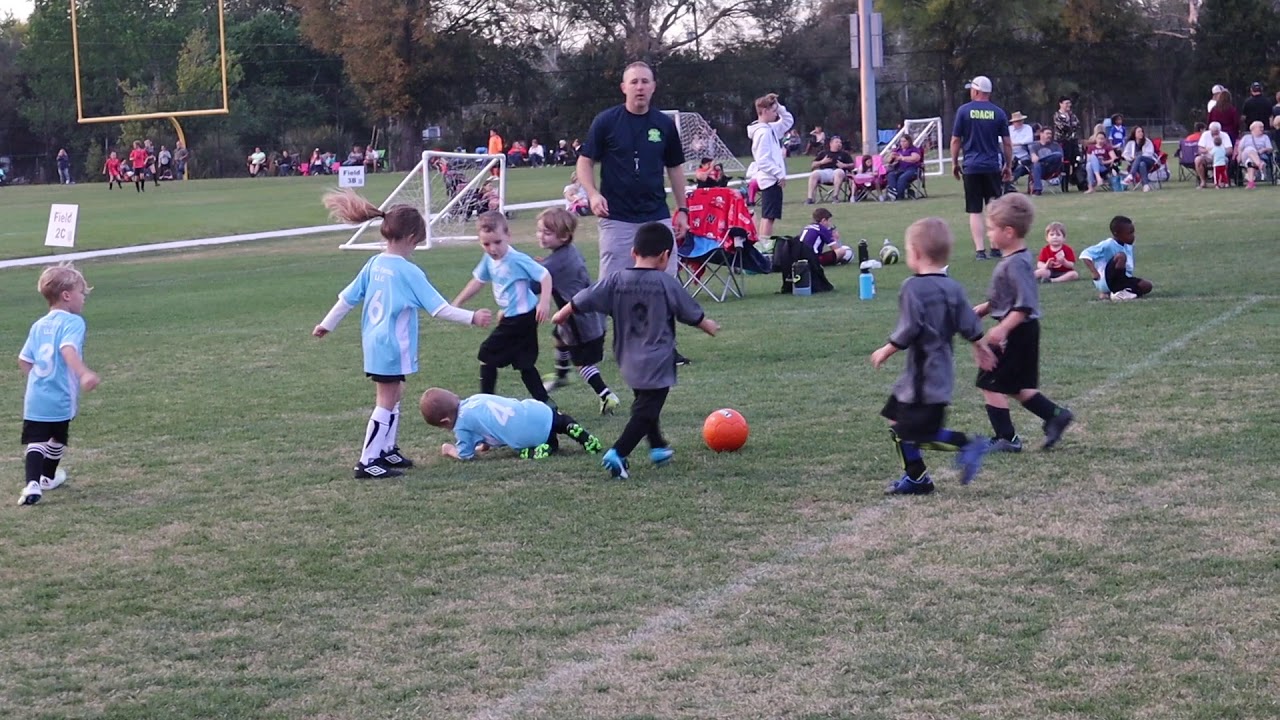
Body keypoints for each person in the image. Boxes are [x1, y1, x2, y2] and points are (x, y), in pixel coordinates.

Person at [312, 189, 492, 479]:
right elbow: (439, 309)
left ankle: (386, 450)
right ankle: (368, 460)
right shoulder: (409, 272)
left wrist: (326, 324)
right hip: (392, 345)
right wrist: (472, 317)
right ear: (410, 239)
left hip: (375, 342)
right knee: (386, 399)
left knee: (396, 393)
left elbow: (348, 298)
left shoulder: (374, 263)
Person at [551, 222, 719, 479]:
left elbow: (584, 298)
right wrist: (708, 325)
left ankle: (658, 446)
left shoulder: (616, 280)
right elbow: (688, 311)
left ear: (633, 253)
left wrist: (562, 313)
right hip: (658, 358)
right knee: (648, 408)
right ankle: (618, 453)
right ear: (665, 256)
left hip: (627, 357)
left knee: (644, 402)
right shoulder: (665, 282)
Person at [870, 218, 995, 495]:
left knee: (915, 433)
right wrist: (980, 346)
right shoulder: (953, 287)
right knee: (895, 419)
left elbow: (910, 328)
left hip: (923, 378)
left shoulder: (912, 287)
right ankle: (917, 477)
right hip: (932, 373)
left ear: (915, 253)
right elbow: (969, 322)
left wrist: (886, 349)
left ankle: (967, 445)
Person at [973, 193, 1075, 453]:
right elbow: (1008, 295)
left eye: (991, 229)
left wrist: (1002, 328)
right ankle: (1056, 415)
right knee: (1016, 387)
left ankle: (1007, 438)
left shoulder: (1016, 262)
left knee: (990, 382)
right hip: (1018, 330)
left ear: (1008, 231)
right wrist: (985, 309)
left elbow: (1025, 303)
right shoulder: (1015, 259)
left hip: (1017, 331)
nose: (988, 235)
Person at [576, 61, 688, 281]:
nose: (640, 87)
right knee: (614, 287)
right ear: (623, 87)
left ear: (653, 87)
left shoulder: (664, 125)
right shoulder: (606, 122)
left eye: (645, 82)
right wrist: (592, 194)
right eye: (634, 82)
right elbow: (584, 161)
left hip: (657, 216)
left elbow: (675, 168)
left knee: (665, 286)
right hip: (617, 218)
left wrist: (683, 210)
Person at [16, 264, 101, 506]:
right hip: (60, 396)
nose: (83, 298)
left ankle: (32, 483)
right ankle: (48, 477)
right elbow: (67, 349)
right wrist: (83, 373)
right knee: (57, 439)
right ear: (67, 296)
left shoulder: (38, 325)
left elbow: (23, 360)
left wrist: (37, 381)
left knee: (36, 441)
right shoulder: (73, 322)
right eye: (81, 293)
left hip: (35, 396)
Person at [451, 211, 554, 405]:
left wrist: (544, 302)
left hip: (520, 319)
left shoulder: (516, 259)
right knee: (525, 364)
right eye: (486, 244)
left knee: (486, 354)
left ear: (508, 235)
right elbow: (478, 281)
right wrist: (457, 303)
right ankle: (547, 405)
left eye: (497, 242)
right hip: (515, 317)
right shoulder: (488, 259)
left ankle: (486, 403)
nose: (492, 248)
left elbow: (545, 275)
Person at [535, 207, 622, 415]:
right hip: (590, 316)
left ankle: (606, 395)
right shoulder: (569, 252)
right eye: (540, 231)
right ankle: (563, 373)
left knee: (583, 363)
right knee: (558, 335)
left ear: (564, 237)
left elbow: (535, 284)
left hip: (580, 323)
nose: (541, 236)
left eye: (547, 233)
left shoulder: (556, 263)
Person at [421, 388, 603, 461]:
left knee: (539, 440)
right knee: (561, 421)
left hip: (523, 436)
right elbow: (488, 420)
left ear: (445, 421)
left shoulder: (461, 425)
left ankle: (543, 448)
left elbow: (465, 455)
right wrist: (484, 444)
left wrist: (448, 449)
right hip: (538, 412)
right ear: (453, 395)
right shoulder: (475, 399)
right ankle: (576, 431)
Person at [951, 75, 1014, 260]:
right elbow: (1007, 143)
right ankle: (995, 247)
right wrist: (1008, 165)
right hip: (992, 166)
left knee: (975, 210)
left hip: (971, 167)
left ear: (976, 91)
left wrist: (955, 163)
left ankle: (980, 251)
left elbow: (956, 140)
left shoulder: (963, 111)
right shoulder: (999, 113)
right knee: (993, 208)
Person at [746, 92, 793, 239]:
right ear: (764, 112)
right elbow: (763, 160)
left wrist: (778, 106)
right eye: (773, 111)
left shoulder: (770, 128)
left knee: (769, 214)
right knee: (769, 215)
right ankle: (764, 245)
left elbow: (788, 121)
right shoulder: (763, 133)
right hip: (770, 178)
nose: (776, 114)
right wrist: (779, 174)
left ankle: (762, 243)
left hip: (771, 178)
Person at [1079, 215, 1153, 301]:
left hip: (1122, 279)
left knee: (1147, 286)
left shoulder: (1128, 245)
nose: (1133, 236)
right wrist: (1094, 272)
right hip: (1105, 280)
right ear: (1116, 233)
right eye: (1129, 233)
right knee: (1121, 256)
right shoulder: (1108, 244)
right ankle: (1116, 291)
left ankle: (1117, 293)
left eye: (1133, 232)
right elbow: (1085, 254)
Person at [804, 135, 855, 204]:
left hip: (838, 172)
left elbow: (853, 165)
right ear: (831, 144)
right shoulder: (823, 153)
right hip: (825, 172)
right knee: (814, 174)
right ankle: (810, 198)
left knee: (838, 172)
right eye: (837, 142)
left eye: (840, 142)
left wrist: (844, 165)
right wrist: (822, 162)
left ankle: (835, 196)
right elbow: (813, 165)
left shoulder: (844, 154)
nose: (839, 144)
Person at [1052, 96, 1081, 192]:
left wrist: (1070, 125)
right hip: (1062, 143)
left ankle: (1080, 183)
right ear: (1060, 104)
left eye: (1069, 103)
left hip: (1073, 142)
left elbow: (1077, 125)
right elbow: (1062, 127)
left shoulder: (1072, 115)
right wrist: (1070, 125)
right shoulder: (1057, 115)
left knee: (1077, 162)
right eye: (1066, 103)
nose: (1069, 105)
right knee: (1065, 164)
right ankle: (1065, 188)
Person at [1235, 121, 1274, 188]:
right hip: (1245, 155)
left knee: (1250, 162)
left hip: (1260, 156)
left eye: (1263, 127)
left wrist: (1263, 149)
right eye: (1260, 127)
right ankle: (1260, 164)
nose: (1262, 129)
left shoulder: (1265, 137)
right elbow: (1240, 148)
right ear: (1253, 128)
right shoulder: (1246, 137)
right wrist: (1239, 155)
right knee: (1249, 148)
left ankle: (1251, 183)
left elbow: (1270, 148)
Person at [1026, 127, 1064, 195]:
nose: (1049, 135)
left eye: (1050, 134)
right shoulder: (1034, 145)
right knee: (1036, 165)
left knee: (1057, 155)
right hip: (1040, 170)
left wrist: (1040, 159)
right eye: (1047, 133)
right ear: (1041, 134)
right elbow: (1033, 158)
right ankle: (1037, 190)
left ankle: (1041, 160)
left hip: (1052, 169)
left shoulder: (1056, 145)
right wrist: (1034, 157)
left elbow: (1061, 158)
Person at [1195, 121, 1232, 188]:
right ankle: (1203, 182)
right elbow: (1200, 149)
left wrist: (1221, 153)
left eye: (1216, 132)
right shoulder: (1205, 135)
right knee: (1198, 160)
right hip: (1207, 156)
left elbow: (1229, 150)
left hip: (1221, 157)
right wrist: (1207, 150)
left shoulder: (1224, 135)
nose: (1215, 134)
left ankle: (1222, 182)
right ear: (1210, 130)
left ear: (1219, 130)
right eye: (1213, 132)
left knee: (1225, 160)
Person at [1119, 126, 1158, 192]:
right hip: (1136, 164)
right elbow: (1125, 154)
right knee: (1141, 164)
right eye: (1139, 132)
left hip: (1149, 161)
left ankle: (1131, 175)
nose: (1141, 133)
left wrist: (1137, 158)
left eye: (1142, 131)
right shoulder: (1130, 143)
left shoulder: (1147, 141)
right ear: (1134, 133)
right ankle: (1146, 186)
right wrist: (1131, 158)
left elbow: (1150, 153)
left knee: (1139, 157)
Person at [884, 134, 922, 200]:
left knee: (902, 178)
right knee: (891, 175)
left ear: (909, 142)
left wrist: (902, 158)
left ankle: (899, 196)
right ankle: (893, 193)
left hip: (912, 169)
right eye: (901, 141)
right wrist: (891, 157)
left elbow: (915, 158)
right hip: (900, 169)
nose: (902, 143)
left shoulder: (913, 149)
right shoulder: (898, 150)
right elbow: (887, 161)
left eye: (904, 141)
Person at [1007, 112, 1034, 185]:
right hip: (1010, 155)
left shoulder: (1027, 128)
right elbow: (1000, 139)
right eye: (1016, 121)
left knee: (1022, 166)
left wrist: (1015, 143)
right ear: (1013, 122)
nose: (1018, 123)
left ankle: (1011, 181)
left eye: (1020, 121)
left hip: (1023, 155)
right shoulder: (1008, 129)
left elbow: (1029, 140)